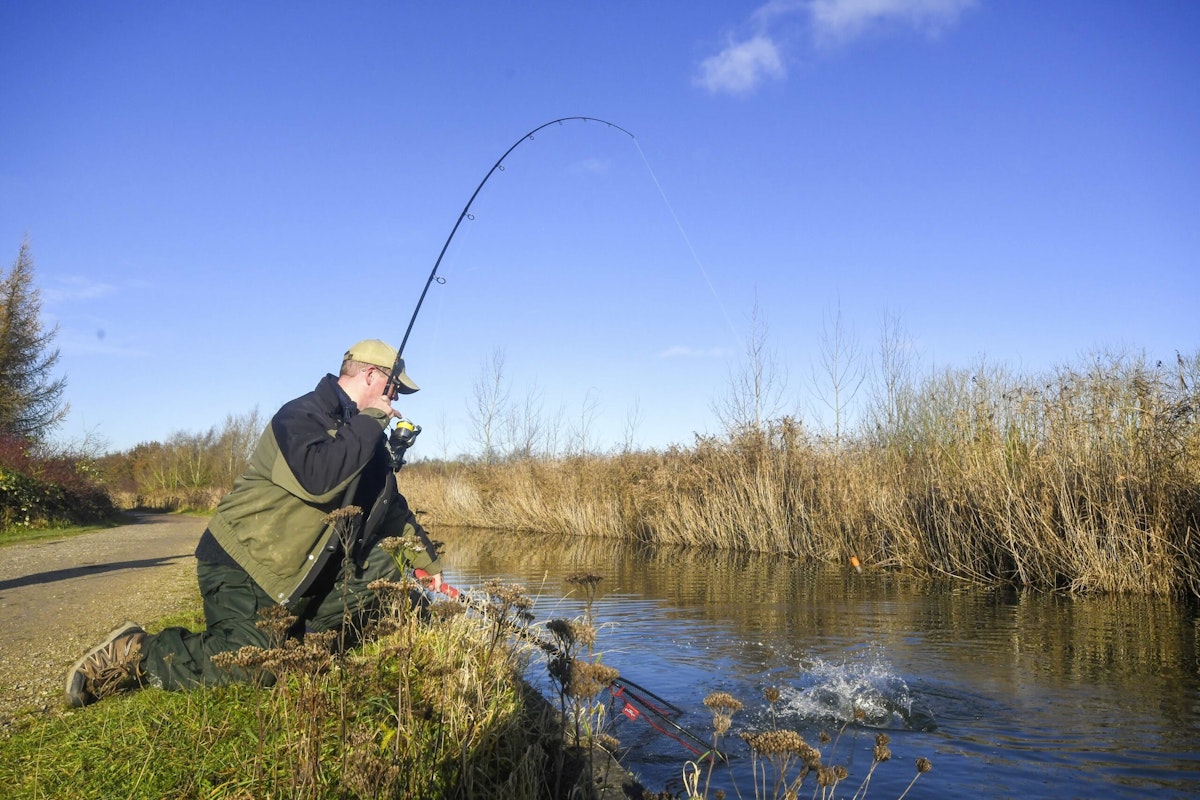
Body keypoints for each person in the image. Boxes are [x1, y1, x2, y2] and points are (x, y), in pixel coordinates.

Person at [65, 339, 445, 706]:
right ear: (370, 376)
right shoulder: (301, 415)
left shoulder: (364, 438)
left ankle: (303, 642)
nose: (393, 399)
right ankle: (136, 650)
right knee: (257, 669)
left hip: (298, 577)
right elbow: (319, 480)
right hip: (243, 567)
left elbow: (391, 506)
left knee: (389, 563)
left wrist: (428, 564)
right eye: (393, 388)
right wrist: (372, 420)